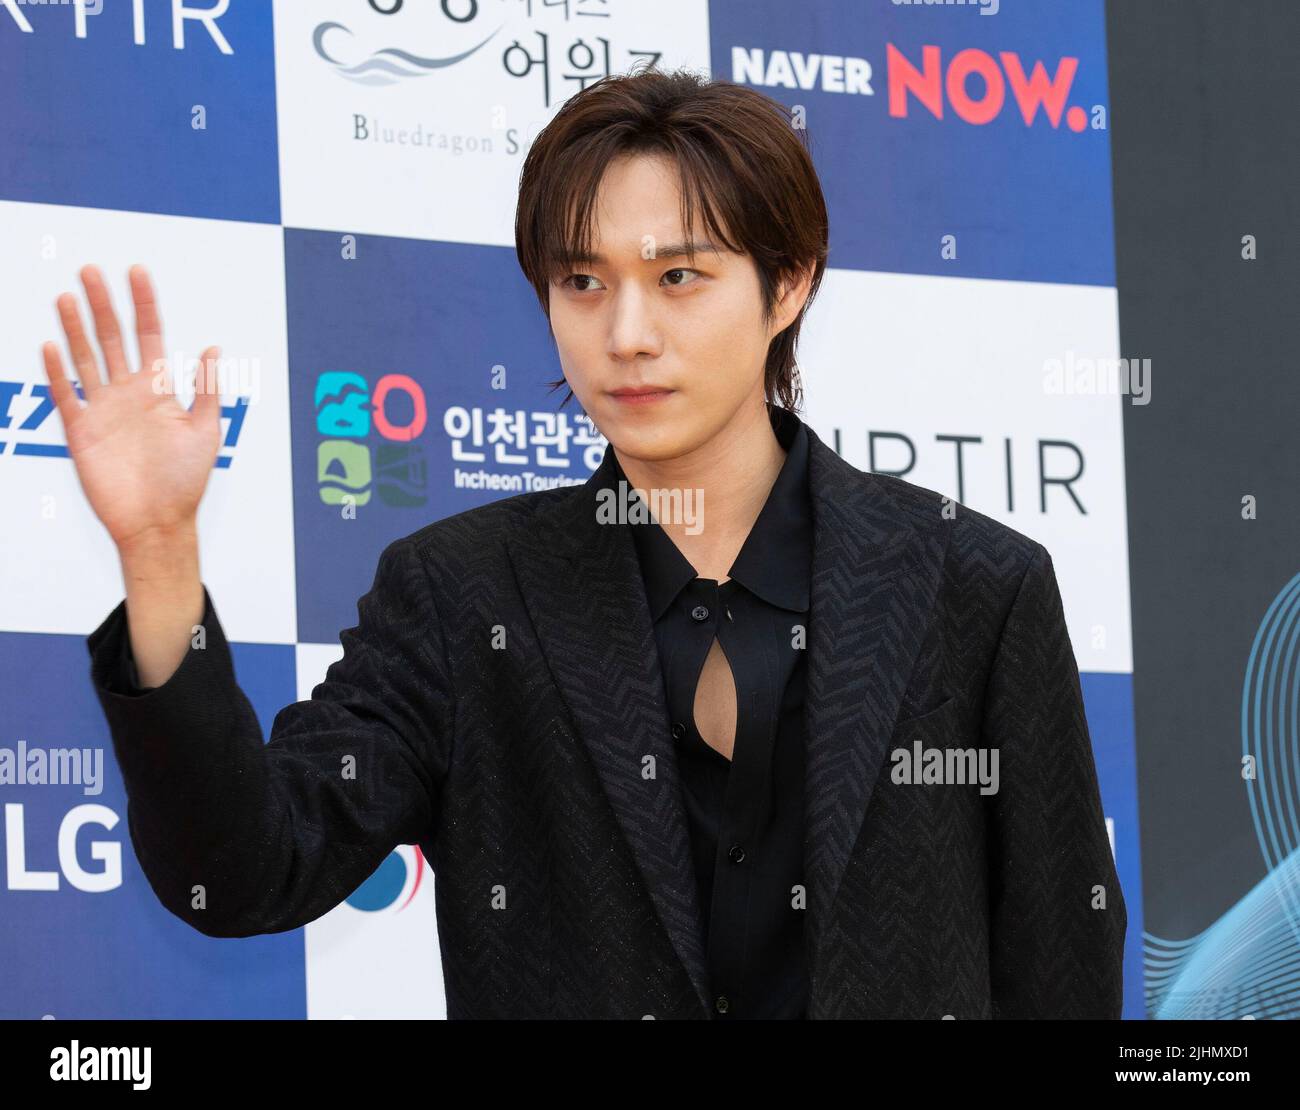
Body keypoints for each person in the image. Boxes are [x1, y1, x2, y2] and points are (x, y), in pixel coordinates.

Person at [43, 66, 1125, 1019]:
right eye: (582, 282)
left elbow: (1061, 961)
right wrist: (157, 555)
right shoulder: (463, 598)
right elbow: (240, 873)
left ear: (787, 283)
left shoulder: (972, 588)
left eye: (679, 277)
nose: (626, 335)